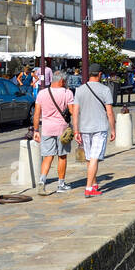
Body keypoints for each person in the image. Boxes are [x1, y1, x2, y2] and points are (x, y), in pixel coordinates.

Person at [72, 64, 115, 197]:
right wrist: (113, 129)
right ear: (100, 74)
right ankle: (89, 188)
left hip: (84, 128)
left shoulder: (79, 90)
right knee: (95, 158)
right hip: (99, 127)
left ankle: (94, 184)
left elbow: (75, 112)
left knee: (90, 158)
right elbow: (109, 112)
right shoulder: (105, 90)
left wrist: (76, 131)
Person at [32, 71, 75, 195]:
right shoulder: (67, 93)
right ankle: (61, 184)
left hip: (47, 128)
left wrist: (36, 130)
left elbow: (36, 114)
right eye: (65, 81)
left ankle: (42, 181)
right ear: (61, 81)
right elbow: (72, 111)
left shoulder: (42, 93)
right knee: (62, 156)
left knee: (48, 156)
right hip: (62, 129)